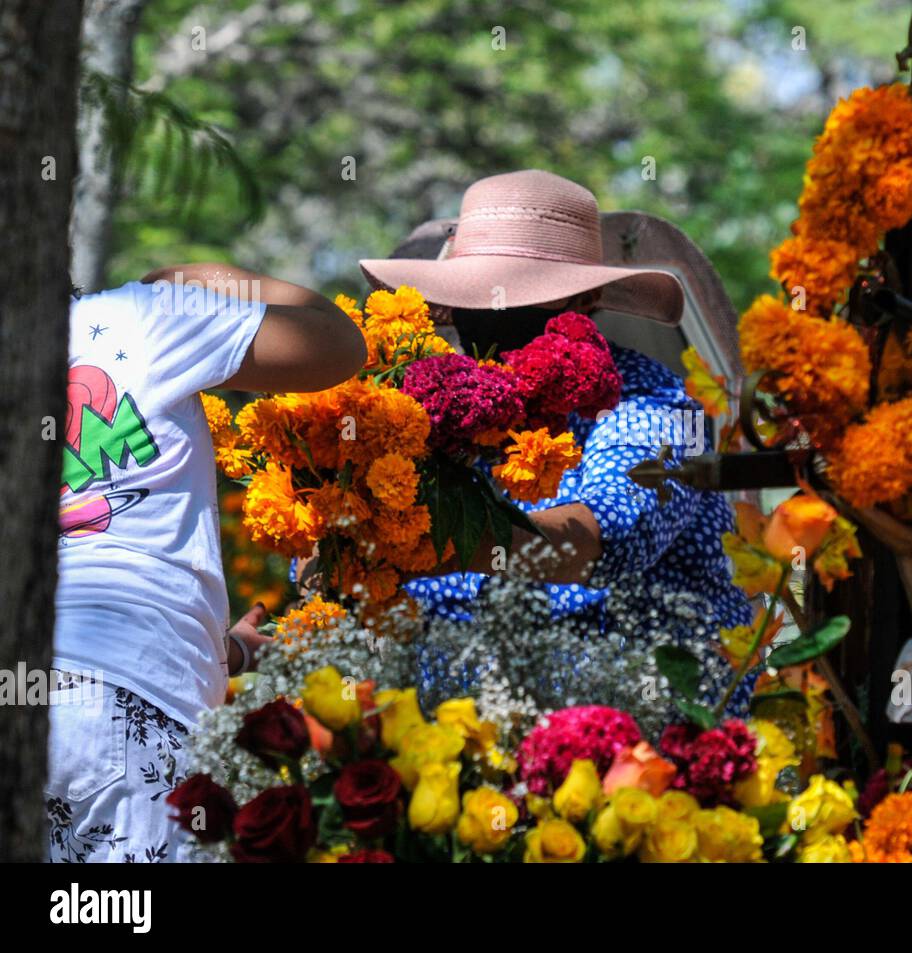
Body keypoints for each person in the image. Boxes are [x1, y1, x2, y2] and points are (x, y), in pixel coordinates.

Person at [359, 170, 752, 703]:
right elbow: (337, 558)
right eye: (474, 297)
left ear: (586, 301)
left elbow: (605, 536)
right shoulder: (421, 406)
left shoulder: (657, 406)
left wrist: (422, 546)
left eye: (526, 297)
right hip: (442, 736)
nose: (492, 315)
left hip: (634, 731)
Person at [49, 265, 365, 862]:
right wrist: (206, 277)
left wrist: (226, 651)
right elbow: (337, 343)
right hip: (129, 689)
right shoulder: (140, 315)